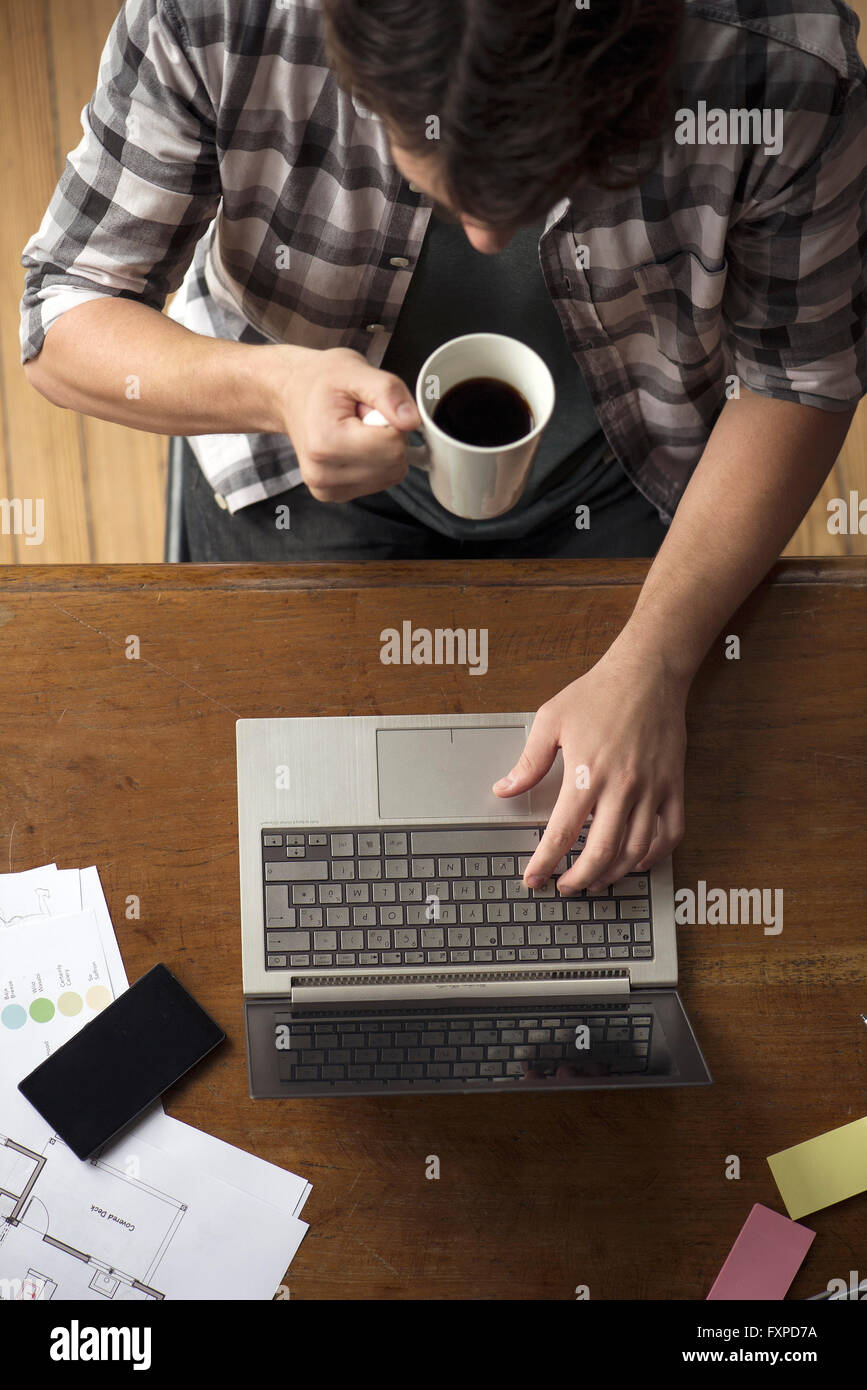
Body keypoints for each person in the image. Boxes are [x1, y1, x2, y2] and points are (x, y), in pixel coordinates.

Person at [19, 0, 866, 899]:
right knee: (256, 839)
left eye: (544, 186)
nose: (489, 239)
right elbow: (62, 314)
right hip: (282, 467)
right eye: (435, 181)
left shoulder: (779, 58)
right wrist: (276, 389)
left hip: (633, 479)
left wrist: (652, 662)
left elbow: (796, 379)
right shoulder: (219, 15)